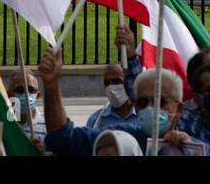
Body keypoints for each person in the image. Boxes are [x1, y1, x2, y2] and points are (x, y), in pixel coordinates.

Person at [39, 45, 201, 155]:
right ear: (136, 108)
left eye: (160, 102)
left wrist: (190, 148)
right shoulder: (121, 137)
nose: (151, 108)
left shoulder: (196, 139)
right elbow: (63, 139)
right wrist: (51, 83)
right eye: (143, 103)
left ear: (179, 108)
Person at [86, 26, 142, 137]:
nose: (112, 87)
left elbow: (138, 91)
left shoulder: (144, 118)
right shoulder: (96, 121)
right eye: (108, 83)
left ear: (127, 83)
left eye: (117, 81)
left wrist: (130, 55)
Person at [8, 68, 46, 143]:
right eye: (20, 90)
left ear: (37, 95)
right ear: (8, 95)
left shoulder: (48, 126)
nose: (26, 95)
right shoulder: (1, 123)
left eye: (31, 90)